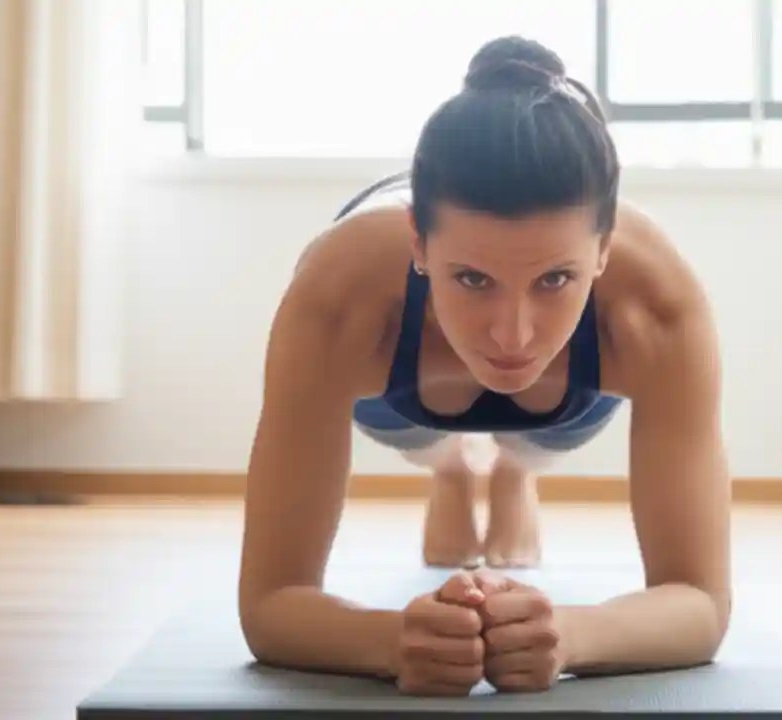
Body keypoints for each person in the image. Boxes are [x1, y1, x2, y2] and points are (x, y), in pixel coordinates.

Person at [237, 36, 732, 697]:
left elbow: (702, 603)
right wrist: (389, 641)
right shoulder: (341, 296)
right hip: (406, 386)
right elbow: (270, 605)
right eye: (472, 278)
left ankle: (513, 469)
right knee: (424, 430)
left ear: (605, 249)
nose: (513, 332)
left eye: (557, 278)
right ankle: (449, 466)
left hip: (563, 400)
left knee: (539, 420)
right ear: (418, 240)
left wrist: (570, 633)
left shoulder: (654, 307)